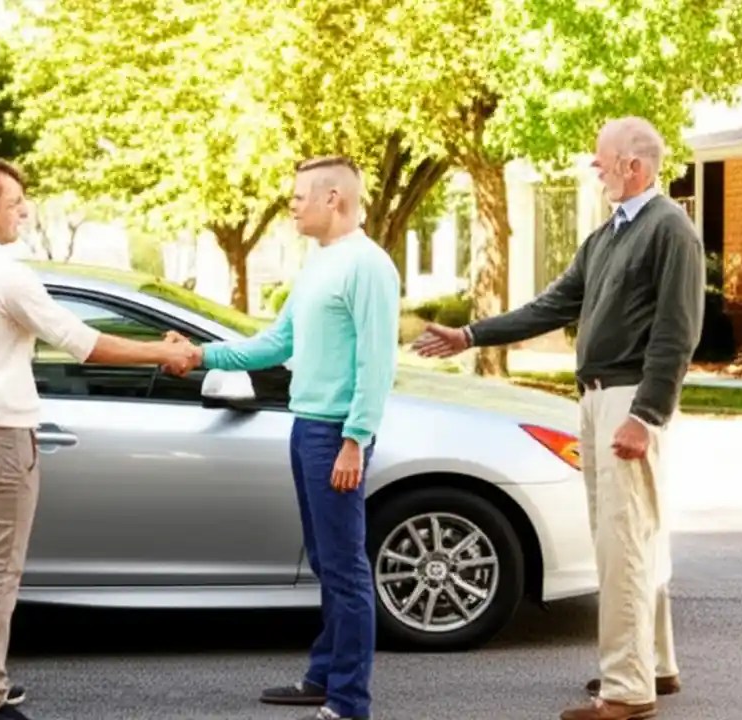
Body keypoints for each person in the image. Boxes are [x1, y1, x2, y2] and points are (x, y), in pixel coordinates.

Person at [412, 116, 702, 720]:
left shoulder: (670, 229)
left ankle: (626, 690)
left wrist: (646, 415)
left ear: (635, 166)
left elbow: (677, 333)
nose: (595, 169)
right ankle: (657, 666)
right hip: (597, 399)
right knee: (631, 538)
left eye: (603, 161)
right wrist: (469, 334)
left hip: (629, 401)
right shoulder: (606, 237)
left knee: (622, 543)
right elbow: (552, 305)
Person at [0, 158, 199, 720]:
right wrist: (165, 351)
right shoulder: (4, 273)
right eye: (13, 203)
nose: (23, 212)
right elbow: (83, 344)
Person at [167, 156, 400, 720]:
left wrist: (355, 438)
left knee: (345, 568)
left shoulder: (368, 266)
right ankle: (324, 677)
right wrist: (201, 355)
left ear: (333, 200)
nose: (291, 205)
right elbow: (276, 341)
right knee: (326, 561)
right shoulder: (320, 263)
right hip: (307, 427)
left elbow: (377, 360)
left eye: (299, 197)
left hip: (336, 435)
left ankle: (349, 702)